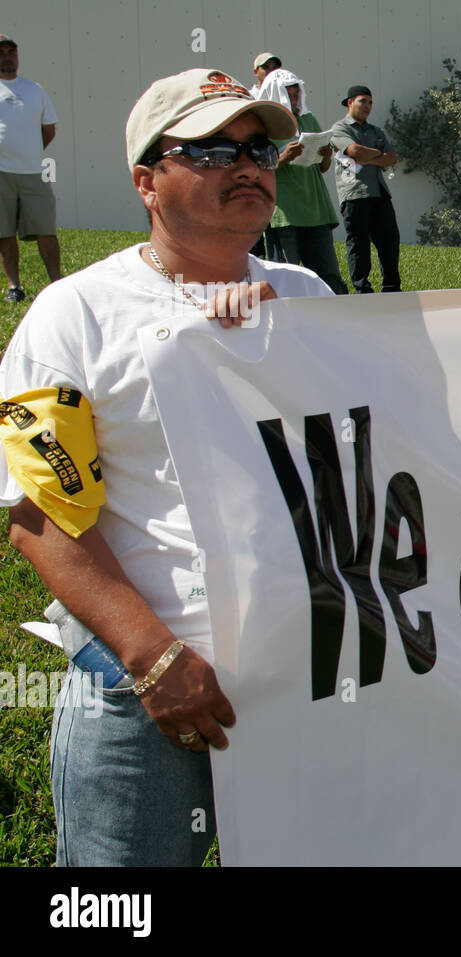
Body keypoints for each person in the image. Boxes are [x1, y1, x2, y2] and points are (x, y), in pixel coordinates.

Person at [0, 67, 333, 866]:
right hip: (143, 699)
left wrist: (297, 347)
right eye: (215, 150)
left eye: (260, 150)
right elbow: (41, 513)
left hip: (309, 679)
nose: (249, 166)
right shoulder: (73, 314)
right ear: (148, 180)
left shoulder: (311, 295)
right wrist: (154, 661)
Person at [258, 69, 347, 294]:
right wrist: (283, 157)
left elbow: (323, 168)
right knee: (285, 277)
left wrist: (326, 155)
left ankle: (337, 319)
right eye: (289, 95)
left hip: (316, 209)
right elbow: (257, 169)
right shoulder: (263, 125)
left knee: (328, 276)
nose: (295, 100)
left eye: (297, 94)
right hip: (284, 214)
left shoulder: (308, 119)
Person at [0, 35, 61, 303]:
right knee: (4, 232)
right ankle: (14, 286)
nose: (7, 57)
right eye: (1, 52)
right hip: (1, 173)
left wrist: (30, 153)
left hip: (33, 173)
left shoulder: (35, 89)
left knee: (46, 230)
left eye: (11, 51)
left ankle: (58, 285)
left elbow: (49, 129)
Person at [331, 84, 401, 293]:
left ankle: (391, 286)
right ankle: (362, 288)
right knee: (359, 244)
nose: (368, 106)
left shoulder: (376, 131)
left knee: (389, 242)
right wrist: (376, 154)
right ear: (350, 102)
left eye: (370, 102)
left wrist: (366, 155)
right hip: (354, 194)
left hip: (379, 193)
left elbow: (391, 158)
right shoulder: (340, 128)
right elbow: (354, 151)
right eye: (363, 101)